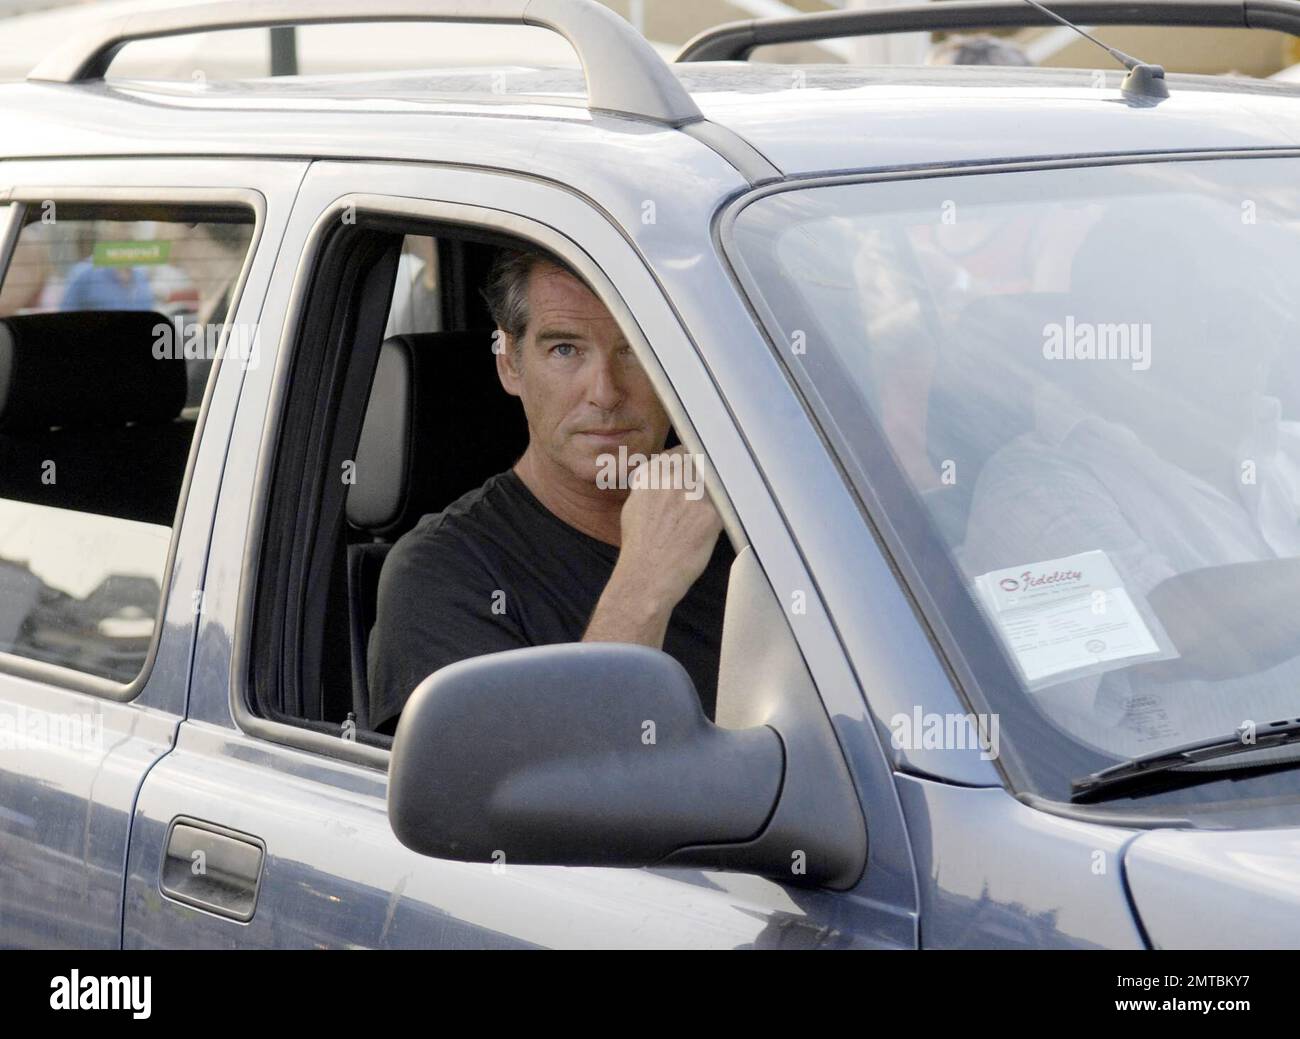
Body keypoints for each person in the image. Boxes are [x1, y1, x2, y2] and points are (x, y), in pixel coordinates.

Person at [367, 249, 734, 735]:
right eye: (565, 350)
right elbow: (536, 797)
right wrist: (644, 580)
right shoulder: (443, 572)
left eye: (636, 349)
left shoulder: (760, 519)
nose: (605, 392)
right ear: (509, 364)